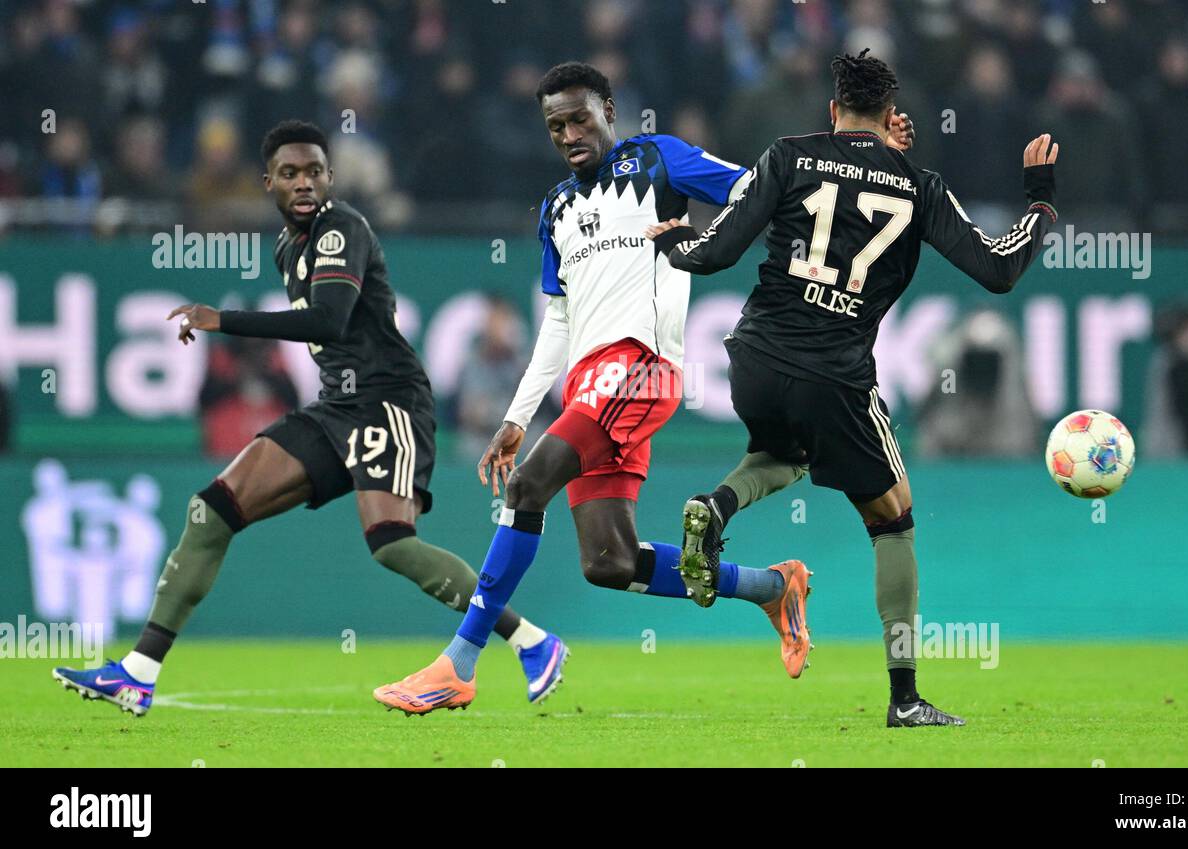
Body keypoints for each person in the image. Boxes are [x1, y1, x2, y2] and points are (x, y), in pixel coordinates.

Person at [52, 120, 565, 717]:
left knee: (392, 544)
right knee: (212, 510)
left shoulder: (340, 228)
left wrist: (225, 320)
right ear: (267, 182)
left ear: (330, 177)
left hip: (387, 401)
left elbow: (328, 321)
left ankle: (530, 639)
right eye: (290, 173)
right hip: (334, 407)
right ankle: (137, 674)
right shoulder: (285, 247)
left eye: (315, 171)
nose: (304, 182)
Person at [372, 62, 814, 715]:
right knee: (607, 560)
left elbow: (756, 188)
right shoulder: (556, 208)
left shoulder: (658, 161)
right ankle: (772, 587)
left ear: (610, 108)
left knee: (527, 486)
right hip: (590, 382)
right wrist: (518, 416)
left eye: (581, 117)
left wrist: (707, 238)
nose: (569, 133)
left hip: (640, 367)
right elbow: (558, 318)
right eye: (556, 125)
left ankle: (459, 663)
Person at [660, 49, 1060, 727]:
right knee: (894, 518)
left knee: (784, 454)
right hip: (834, 371)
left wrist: (672, 241)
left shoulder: (788, 153)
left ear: (832, 110)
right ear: (891, 116)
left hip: (754, 355)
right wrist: (1041, 201)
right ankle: (905, 699)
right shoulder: (918, 183)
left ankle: (717, 504)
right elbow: (997, 270)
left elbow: (716, 250)